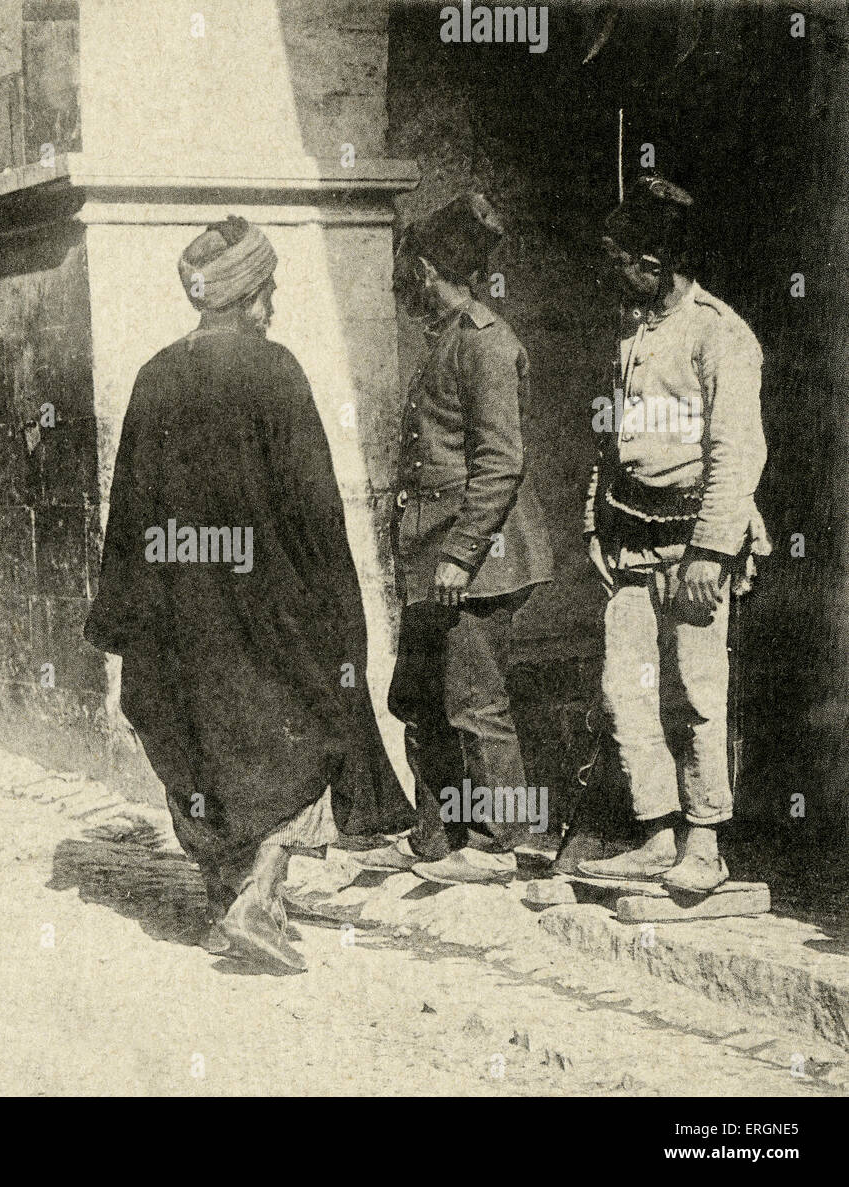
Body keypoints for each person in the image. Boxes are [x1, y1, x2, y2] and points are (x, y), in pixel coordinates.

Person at [84, 216, 416, 972]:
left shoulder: (156, 374)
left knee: (199, 747)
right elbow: (313, 508)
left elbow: (128, 513)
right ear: (249, 294)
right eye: (268, 288)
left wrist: (124, 614)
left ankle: (223, 900)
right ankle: (257, 896)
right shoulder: (274, 371)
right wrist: (339, 610)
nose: (274, 301)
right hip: (267, 611)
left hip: (178, 614)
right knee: (306, 735)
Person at [579, 174, 768, 894]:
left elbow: (738, 450)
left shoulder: (719, 334)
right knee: (626, 687)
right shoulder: (633, 331)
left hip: (695, 541)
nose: (611, 269)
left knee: (695, 693)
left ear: (654, 261)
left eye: (619, 255)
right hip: (630, 539)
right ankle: (656, 832)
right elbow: (614, 438)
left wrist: (713, 551)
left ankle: (704, 841)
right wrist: (595, 519)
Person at [363, 192, 554, 885]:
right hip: (432, 559)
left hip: (474, 560)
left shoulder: (484, 343)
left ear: (424, 267)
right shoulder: (446, 338)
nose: (406, 280)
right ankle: (435, 834)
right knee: (419, 696)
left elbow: (501, 463)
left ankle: (502, 840)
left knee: (474, 699)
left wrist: (458, 555)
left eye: (409, 269)